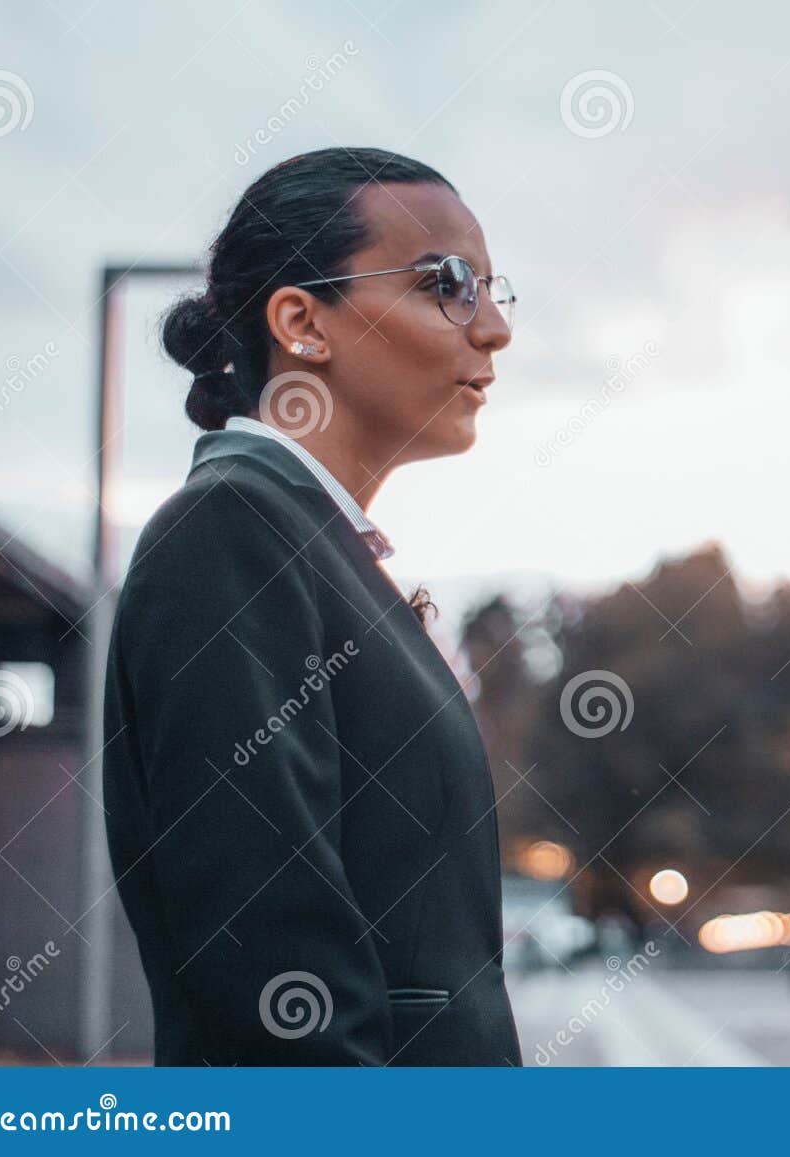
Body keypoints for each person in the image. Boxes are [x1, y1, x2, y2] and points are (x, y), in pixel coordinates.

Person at [102, 146, 521, 1065]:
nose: (492, 328)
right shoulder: (229, 532)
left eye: (495, 289)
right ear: (301, 321)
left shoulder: (306, 543)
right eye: (449, 283)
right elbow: (282, 988)